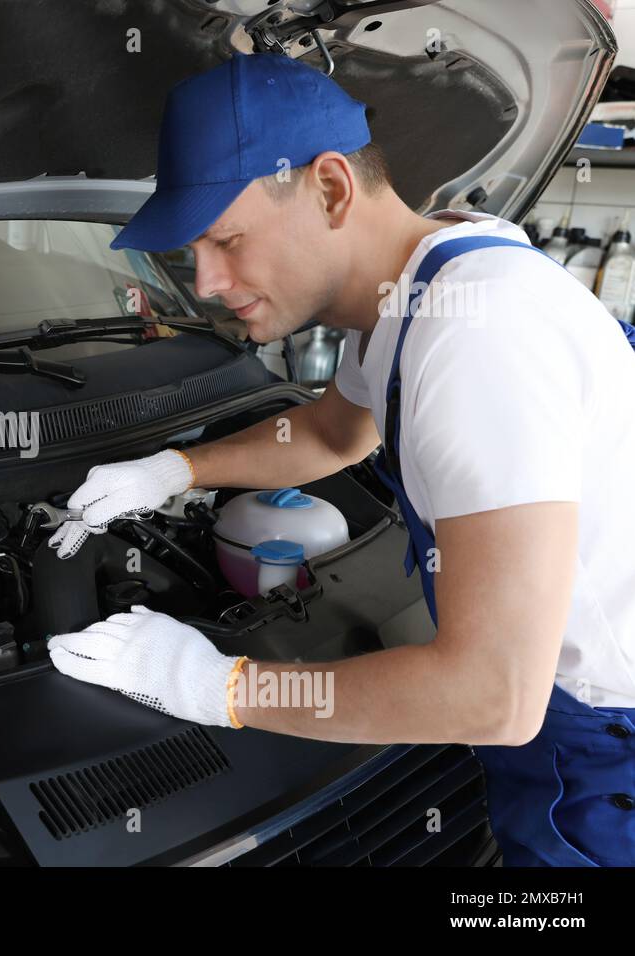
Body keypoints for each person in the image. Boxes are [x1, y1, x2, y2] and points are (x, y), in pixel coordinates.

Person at [45, 52, 635, 867]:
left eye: (228, 239)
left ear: (330, 188)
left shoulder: (477, 338)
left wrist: (223, 688)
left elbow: (493, 696)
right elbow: (330, 436)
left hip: (607, 770)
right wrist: (174, 472)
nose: (207, 280)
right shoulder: (426, 284)